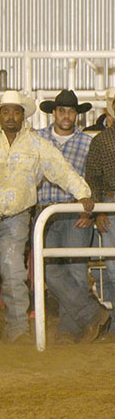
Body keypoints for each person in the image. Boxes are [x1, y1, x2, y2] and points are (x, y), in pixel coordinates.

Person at [0, 91, 93, 345]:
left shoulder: (36, 144)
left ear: (23, 115)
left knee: (14, 274)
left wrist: (83, 193)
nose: (11, 116)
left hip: (15, 218)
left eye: (16, 111)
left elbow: (61, 170)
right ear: (0, 114)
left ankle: (18, 332)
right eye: (6, 111)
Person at [35, 90, 109, 343]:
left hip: (77, 212)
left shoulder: (89, 142)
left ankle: (69, 331)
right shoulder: (37, 140)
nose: (66, 116)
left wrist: (91, 210)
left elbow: (94, 179)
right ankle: (92, 314)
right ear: (53, 113)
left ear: (76, 115)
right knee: (50, 272)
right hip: (46, 212)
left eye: (71, 111)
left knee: (76, 270)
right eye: (62, 111)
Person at [84, 93, 115, 336]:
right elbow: (92, 178)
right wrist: (99, 210)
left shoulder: (102, 140)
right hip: (111, 203)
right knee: (112, 269)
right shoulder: (101, 141)